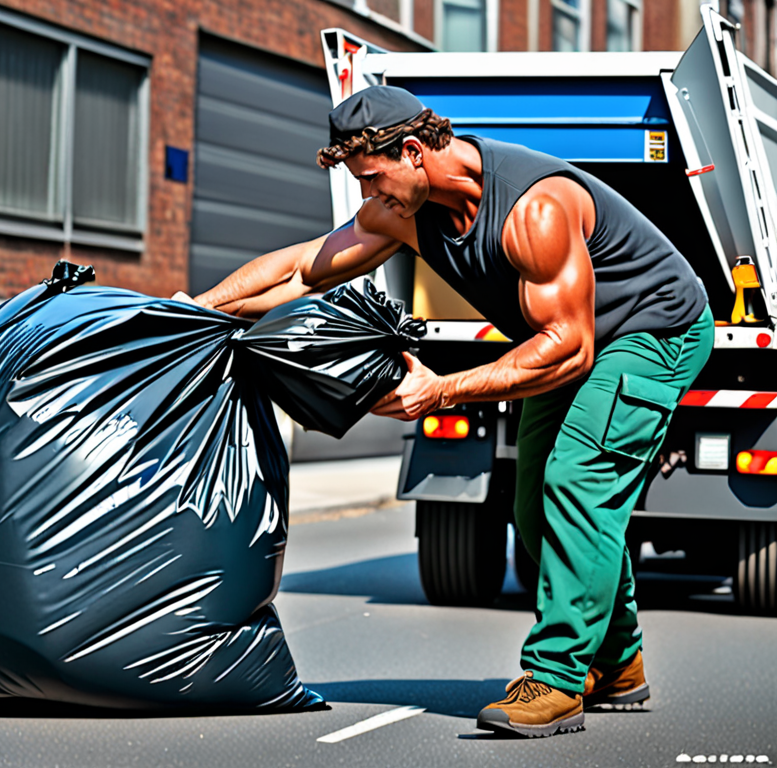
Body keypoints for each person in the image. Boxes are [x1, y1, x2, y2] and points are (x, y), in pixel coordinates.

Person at [191, 85, 711, 738]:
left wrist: (438, 392)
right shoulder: (406, 208)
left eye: (372, 178)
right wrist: (196, 307)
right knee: (532, 505)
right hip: (563, 340)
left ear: (412, 151)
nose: (366, 197)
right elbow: (301, 272)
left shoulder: (534, 209)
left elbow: (572, 351)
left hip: (649, 331)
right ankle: (618, 661)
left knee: (578, 482)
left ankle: (555, 680)